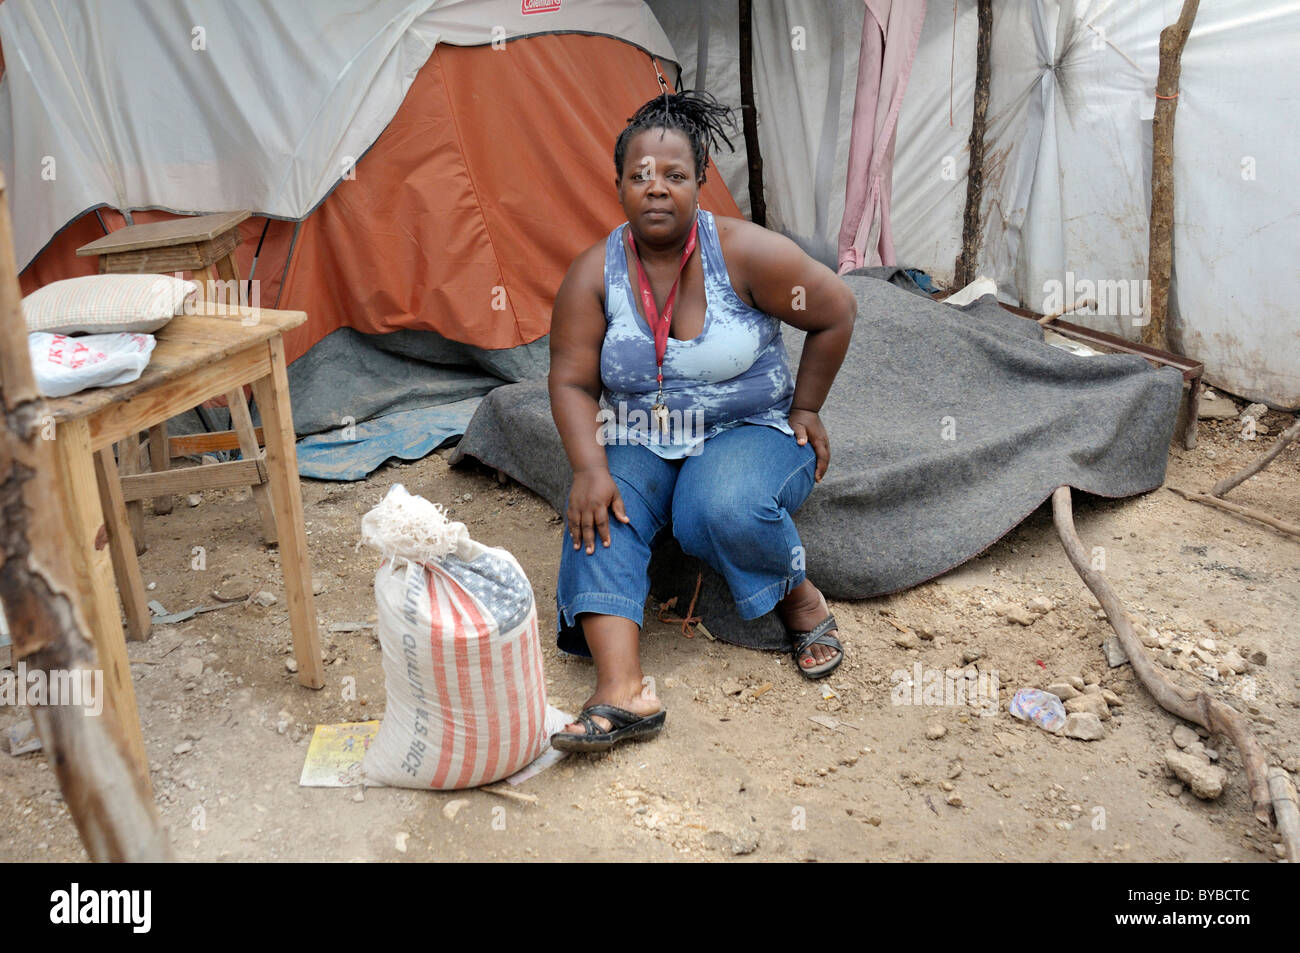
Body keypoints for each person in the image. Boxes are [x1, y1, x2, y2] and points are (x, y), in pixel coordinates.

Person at [547, 89, 856, 752]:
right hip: (640, 434)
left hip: (751, 429)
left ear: (701, 179)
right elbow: (571, 379)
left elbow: (835, 309)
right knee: (600, 510)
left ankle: (800, 597)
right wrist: (588, 467)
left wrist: (806, 407)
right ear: (619, 184)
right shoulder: (592, 275)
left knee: (713, 506)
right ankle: (621, 693)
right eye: (640, 176)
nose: (656, 189)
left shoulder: (746, 254)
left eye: (674, 175)